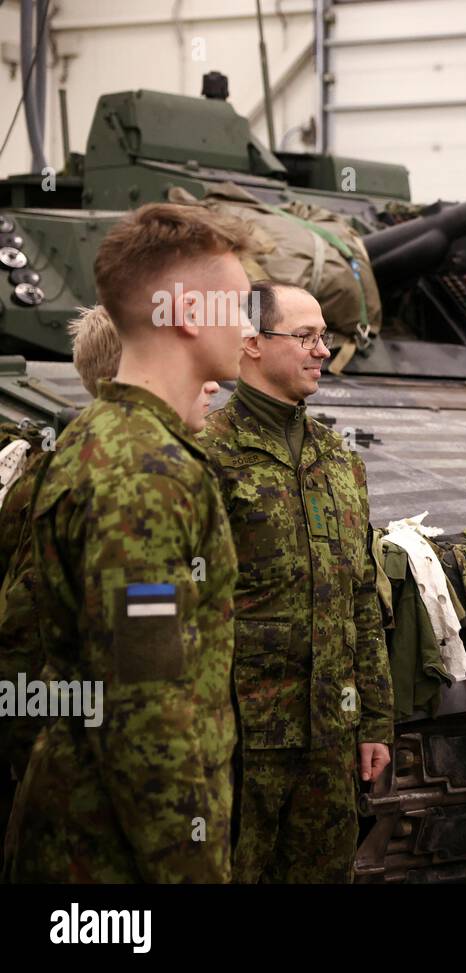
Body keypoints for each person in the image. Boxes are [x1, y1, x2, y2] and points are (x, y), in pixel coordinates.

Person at [3, 203, 250, 883]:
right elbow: (144, 711)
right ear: (189, 313)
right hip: (116, 861)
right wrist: (192, 868)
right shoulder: (144, 472)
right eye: (238, 305)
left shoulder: (109, 436)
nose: (249, 326)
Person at [202, 279, 393, 884]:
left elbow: (363, 596)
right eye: (306, 337)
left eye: (325, 338)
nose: (321, 351)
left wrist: (374, 723)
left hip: (329, 740)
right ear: (252, 343)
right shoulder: (207, 454)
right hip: (240, 743)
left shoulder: (339, 459)